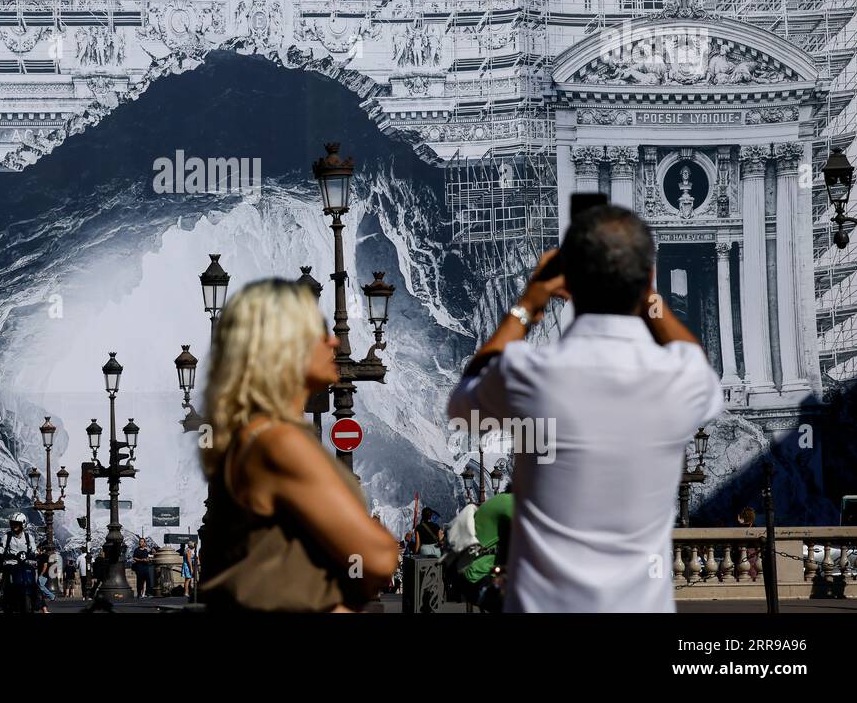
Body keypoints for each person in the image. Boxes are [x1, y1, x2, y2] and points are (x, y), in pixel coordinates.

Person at [448, 204, 721, 612]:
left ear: (568, 281)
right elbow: (691, 354)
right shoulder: (680, 378)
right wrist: (648, 297)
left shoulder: (528, 371)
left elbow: (463, 397)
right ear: (648, 278)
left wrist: (529, 302)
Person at [198, 279, 399, 612]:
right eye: (320, 334)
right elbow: (375, 556)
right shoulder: (280, 443)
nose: (335, 341)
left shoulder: (251, 436)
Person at [0, 513, 38, 614]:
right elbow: (1, 547)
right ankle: (2, 597)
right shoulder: (7, 536)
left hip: (26, 564)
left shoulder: (28, 537)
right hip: (11, 563)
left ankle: (38, 600)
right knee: (5, 578)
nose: (14, 526)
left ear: (23, 524)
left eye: (17, 524)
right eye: (13, 523)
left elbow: (34, 550)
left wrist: (36, 554)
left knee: (35, 581)